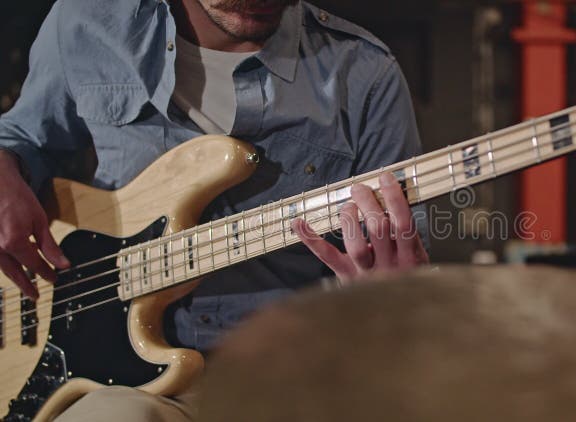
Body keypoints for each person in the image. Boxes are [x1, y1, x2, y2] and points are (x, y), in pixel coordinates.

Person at [0, 0, 429, 419]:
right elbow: (22, 136)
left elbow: (398, 286)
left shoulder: (367, 73)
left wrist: (385, 295)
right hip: (115, 378)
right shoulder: (85, 20)